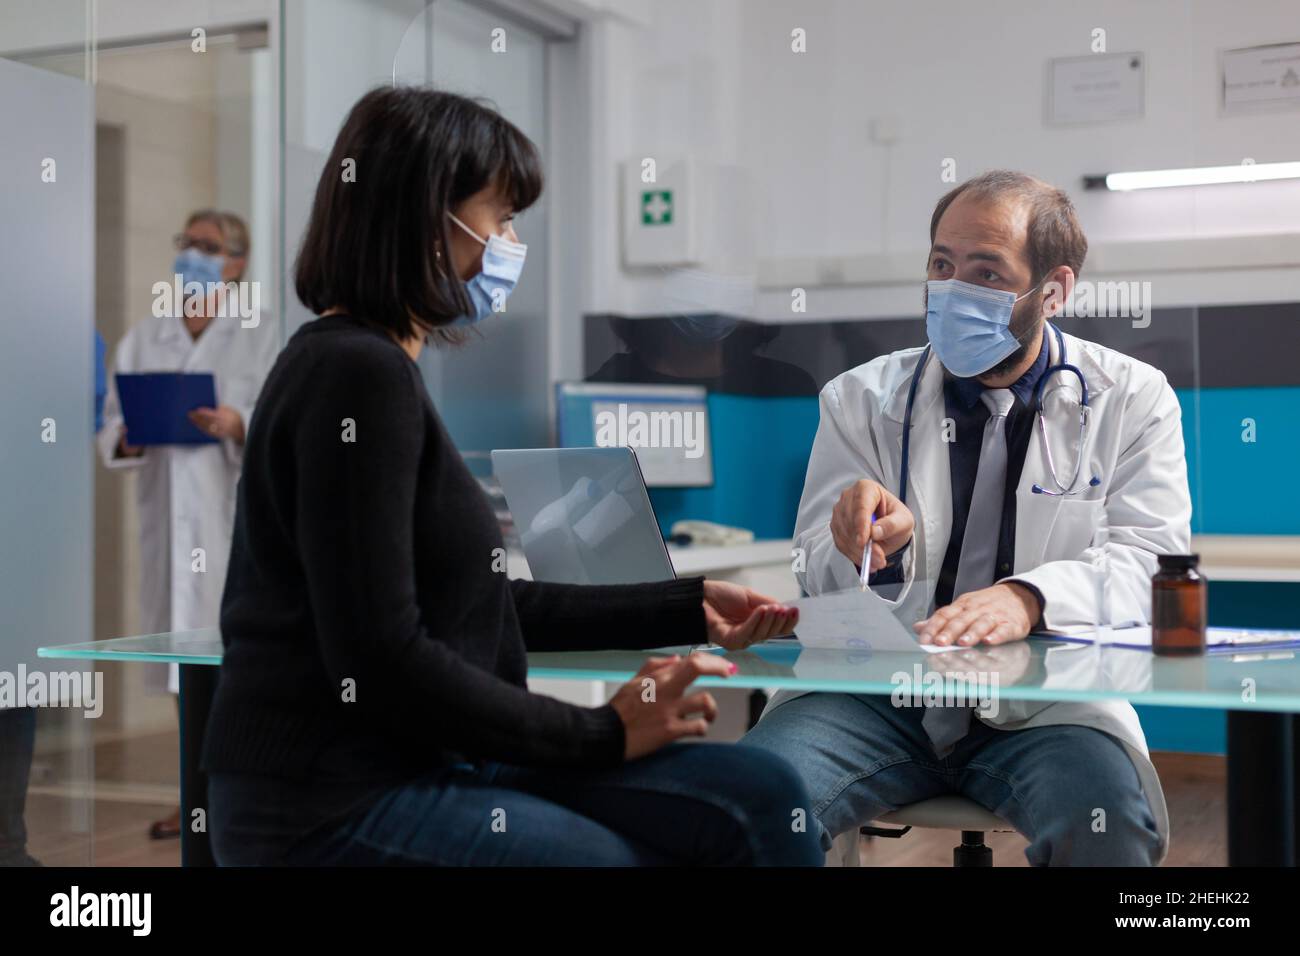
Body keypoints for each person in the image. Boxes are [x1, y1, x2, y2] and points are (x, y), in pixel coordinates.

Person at [202, 86, 823, 867]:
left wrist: (685, 606)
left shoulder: (370, 368)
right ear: (429, 218)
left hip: (428, 757)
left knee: (758, 795)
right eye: (499, 218)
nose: (506, 244)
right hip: (329, 797)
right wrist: (602, 732)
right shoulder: (355, 375)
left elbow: (479, 604)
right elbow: (379, 655)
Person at [743, 170, 1190, 866]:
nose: (952, 289)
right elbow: (817, 579)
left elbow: (1152, 562)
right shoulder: (859, 399)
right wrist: (870, 553)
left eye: (985, 271)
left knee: (1106, 824)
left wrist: (1030, 597)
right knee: (749, 802)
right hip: (875, 695)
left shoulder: (1133, 399)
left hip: (1046, 707)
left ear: (1054, 289)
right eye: (941, 264)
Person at [96, 210, 278, 839]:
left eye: (208, 247)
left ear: (237, 263)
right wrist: (128, 436)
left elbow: (281, 420)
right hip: (168, 523)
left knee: (236, 663)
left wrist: (237, 423)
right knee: (183, 667)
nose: (193, 256)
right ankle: (191, 799)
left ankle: (239, 799)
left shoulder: (260, 332)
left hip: (232, 524)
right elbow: (111, 427)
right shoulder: (146, 335)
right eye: (188, 244)